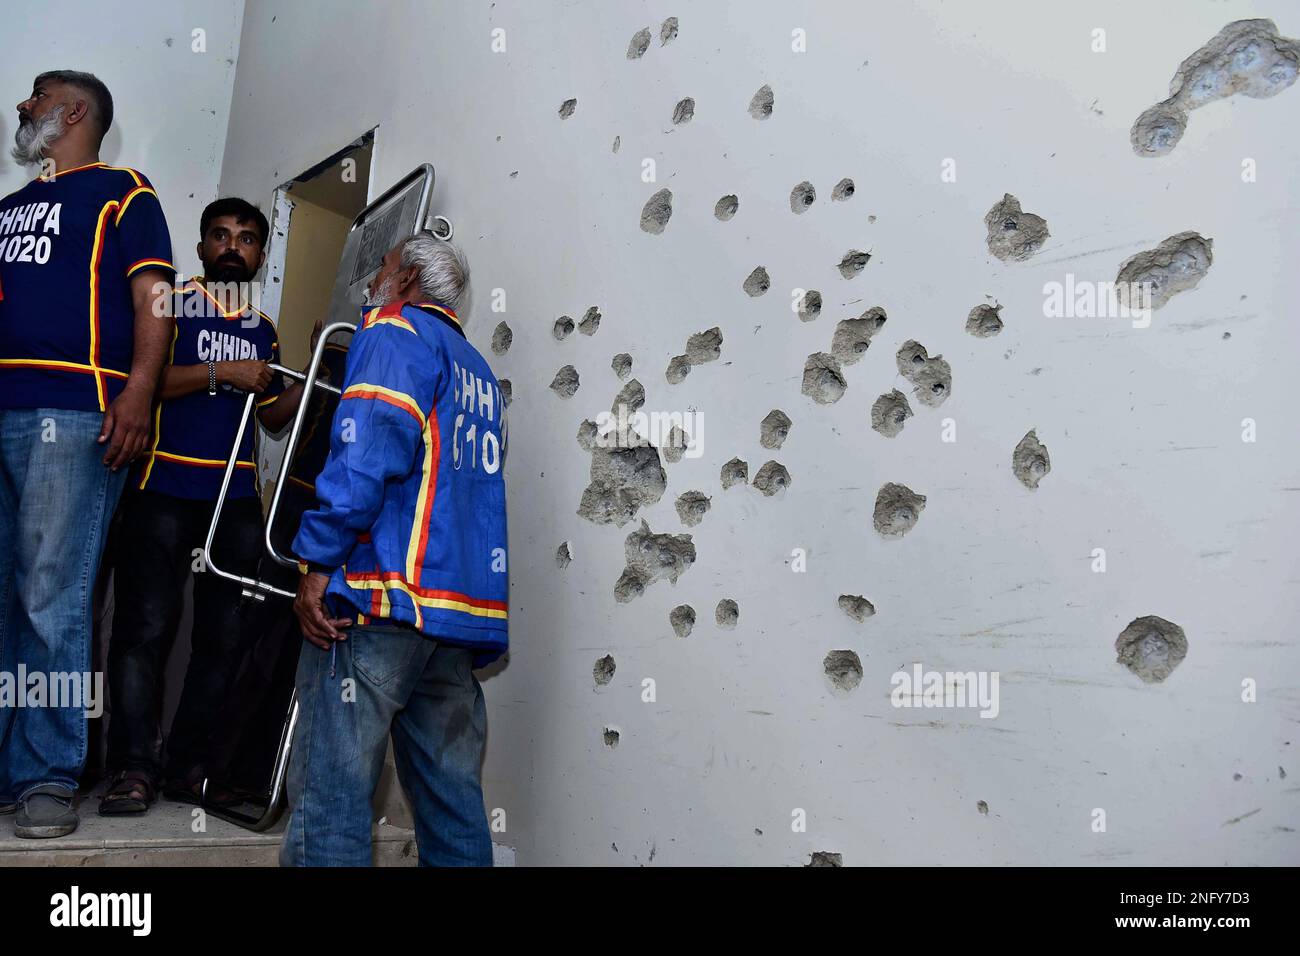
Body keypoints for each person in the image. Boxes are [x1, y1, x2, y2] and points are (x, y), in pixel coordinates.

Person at [283, 232, 508, 866]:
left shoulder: (393, 331)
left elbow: (365, 459)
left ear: (405, 277)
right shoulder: (479, 373)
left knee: (332, 795)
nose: (374, 279)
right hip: (455, 617)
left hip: (383, 601)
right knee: (452, 801)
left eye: (382, 265)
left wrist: (317, 561)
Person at [0, 70, 174, 839]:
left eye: (37, 95)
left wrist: (137, 394)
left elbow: (155, 301)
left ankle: (45, 776)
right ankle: (9, 770)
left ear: (72, 112)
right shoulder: (10, 207)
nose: (22, 106)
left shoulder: (124, 193)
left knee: (51, 597)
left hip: (74, 414)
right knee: (8, 600)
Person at [100, 198, 308, 814]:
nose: (232, 247)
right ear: (201, 247)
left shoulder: (264, 328)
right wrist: (222, 371)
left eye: (246, 239)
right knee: (144, 632)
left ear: (261, 255)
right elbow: (141, 380)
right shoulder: (170, 302)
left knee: (224, 640)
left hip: (237, 496)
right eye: (220, 235)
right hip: (163, 487)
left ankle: (188, 767)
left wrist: (309, 382)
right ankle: (132, 769)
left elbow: (268, 418)